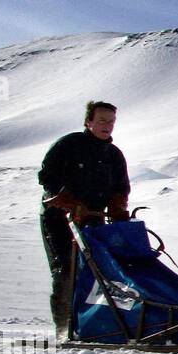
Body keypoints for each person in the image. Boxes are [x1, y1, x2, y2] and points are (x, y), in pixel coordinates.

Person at [38, 101, 131, 338]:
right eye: (101, 120)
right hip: (59, 218)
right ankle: (64, 330)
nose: (107, 126)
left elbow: (121, 189)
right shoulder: (69, 145)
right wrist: (65, 199)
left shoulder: (114, 156)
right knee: (66, 270)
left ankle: (96, 325)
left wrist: (119, 209)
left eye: (111, 121)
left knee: (98, 271)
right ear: (88, 122)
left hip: (93, 219)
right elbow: (47, 176)